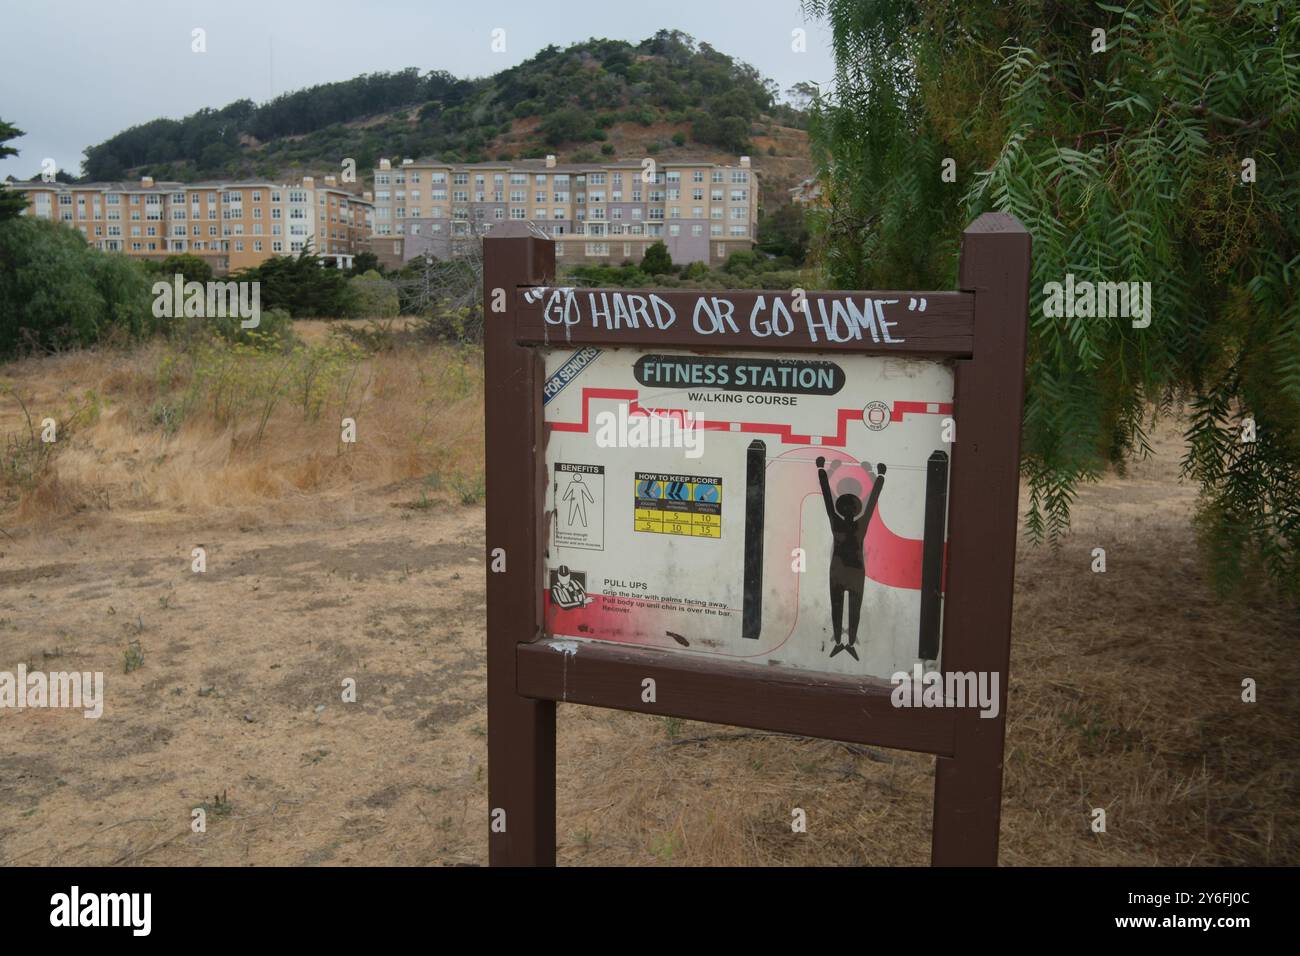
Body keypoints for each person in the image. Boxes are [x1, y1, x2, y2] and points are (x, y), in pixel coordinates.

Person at [815, 456, 886, 660]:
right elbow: (871, 501)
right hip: (855, 571)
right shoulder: (860, 525)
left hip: (837, 570)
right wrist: (879, 476)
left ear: (841, 508)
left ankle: (839, 641)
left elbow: (827, 496)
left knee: (836, 607)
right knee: (854, 608)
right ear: (856, 508)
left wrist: (822, 470)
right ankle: (849, 642)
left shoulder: (835, 522)